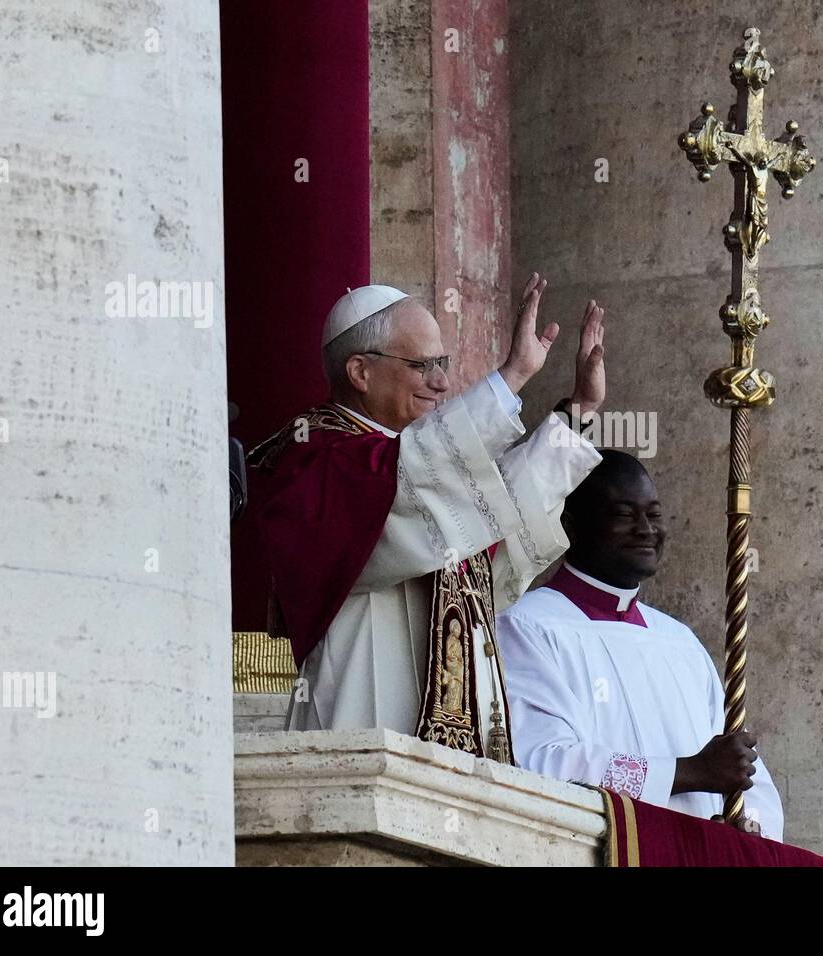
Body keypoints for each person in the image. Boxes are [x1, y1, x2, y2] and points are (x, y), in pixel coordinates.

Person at [248, 274, 604, 763]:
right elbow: (407, 484)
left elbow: (502, 515)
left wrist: (577, 416)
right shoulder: (316, 455)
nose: (440, 382)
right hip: (365, 714)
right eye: (422, 366)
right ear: (360, 372)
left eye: (442, 364)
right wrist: (513, 375)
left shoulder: (430, 474)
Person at [496, 450, 785, 838]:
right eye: (623, 514)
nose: (646, 529)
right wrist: (689, 771)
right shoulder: (528, 628)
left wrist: (749, 827)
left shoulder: (679, 641)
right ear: (571, 526)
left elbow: (743, 768)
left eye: (654, 513)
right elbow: (541, 763)